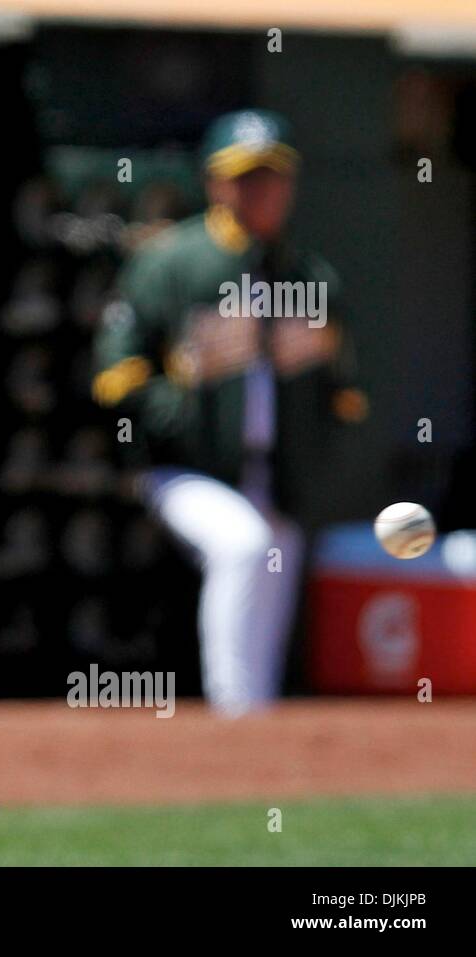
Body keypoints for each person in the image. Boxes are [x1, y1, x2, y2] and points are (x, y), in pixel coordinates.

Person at [92, 109, 367, 716]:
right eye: (245, 177)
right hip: (185, 472)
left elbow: (345, 392)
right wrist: (182, 396)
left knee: (271, 563)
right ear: (216, 183)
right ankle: (233, 719)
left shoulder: (307, 273)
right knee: (242, 545)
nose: (261, 191)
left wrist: (317, 398)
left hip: (274, 474)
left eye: (272, 177)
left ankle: (252, 747)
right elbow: (115, 376)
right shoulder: (174, 262)